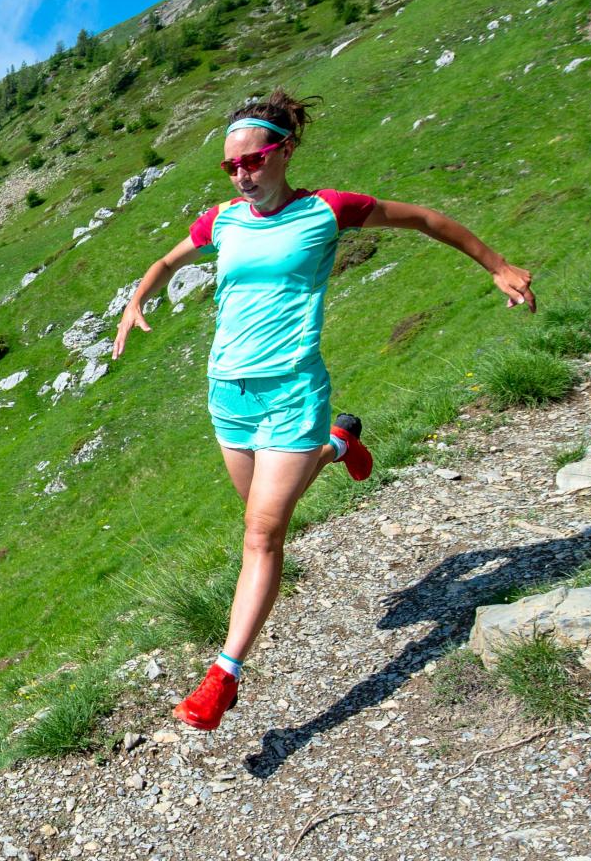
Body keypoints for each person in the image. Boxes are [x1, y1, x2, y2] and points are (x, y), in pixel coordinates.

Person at [111, 89, 536, 731]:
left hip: (291, 394)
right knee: (261, 509)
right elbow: (170, 259)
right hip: (227, 395)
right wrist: (139, 297)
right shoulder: (222, 220)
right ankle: (339, 445)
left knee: (262, 534)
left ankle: (222, 677)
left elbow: (423, 219)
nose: (241, 175)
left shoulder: (325, 211)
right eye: (230, 167)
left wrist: (497, 264)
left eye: (251, 161)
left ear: (283, 152)